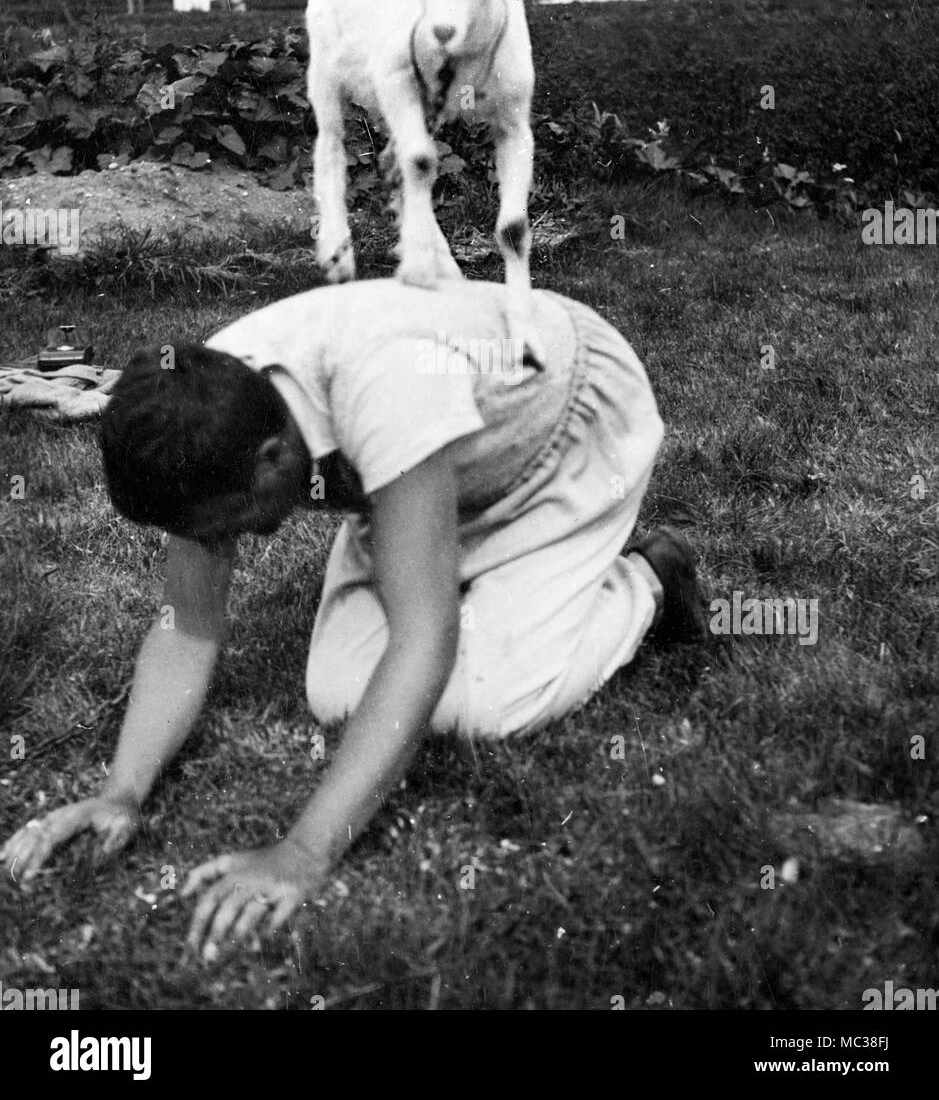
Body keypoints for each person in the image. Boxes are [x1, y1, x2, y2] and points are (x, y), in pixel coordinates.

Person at [1, 272, 704, 960]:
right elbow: (189, 626)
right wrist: (122, 791)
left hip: (562, 428)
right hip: (430, 465)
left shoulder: (387, 388)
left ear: (275, 457)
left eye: (228, 528)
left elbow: (424, 640)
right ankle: (445, 550)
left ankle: (649, 581)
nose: (225, 546)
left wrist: (304, 851)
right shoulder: (201, 421)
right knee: (338, 692)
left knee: (489, 704)